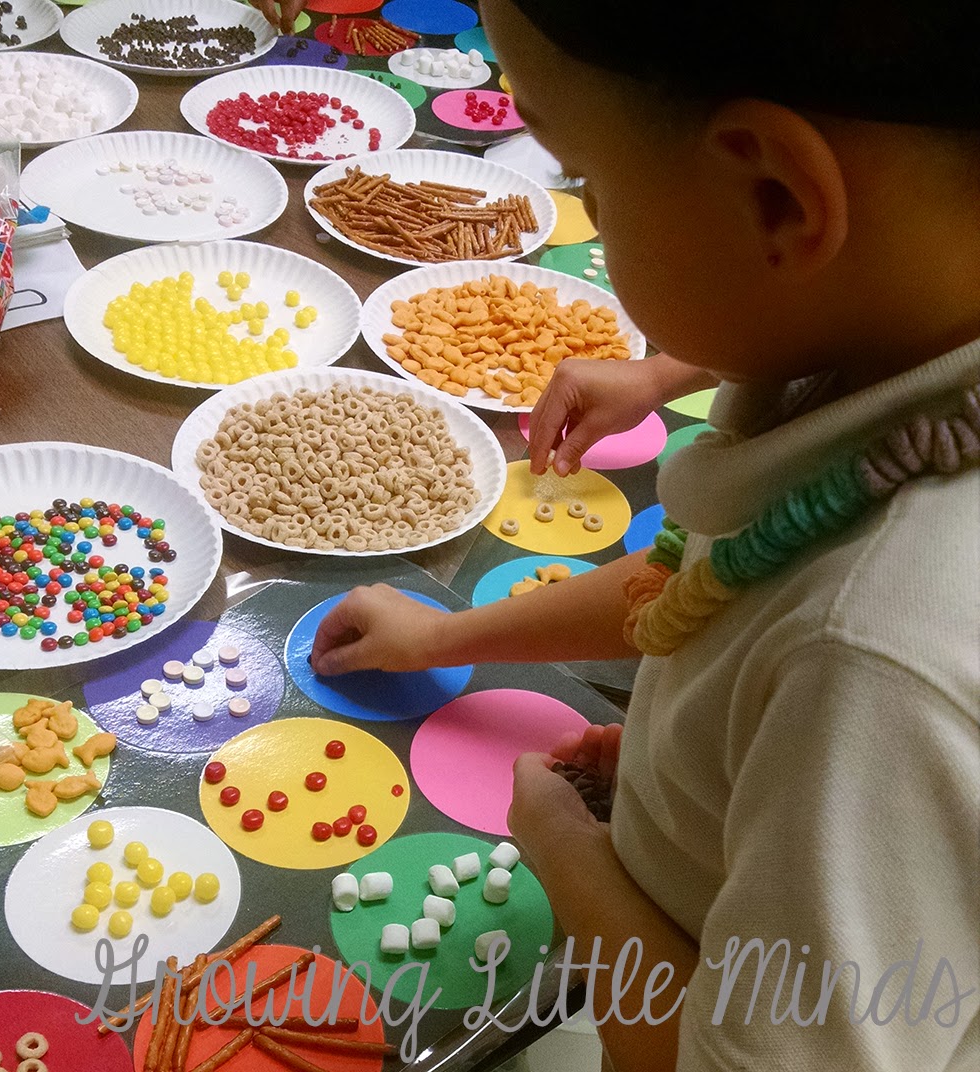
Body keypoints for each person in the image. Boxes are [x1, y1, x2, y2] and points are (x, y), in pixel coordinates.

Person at [310, 2, 980, 1069]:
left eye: (584, 179)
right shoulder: (885, 363)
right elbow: (698, 578)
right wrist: (446, 641)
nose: (584, 212)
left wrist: (574, 858)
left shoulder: (867, 663)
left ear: (773, 196)